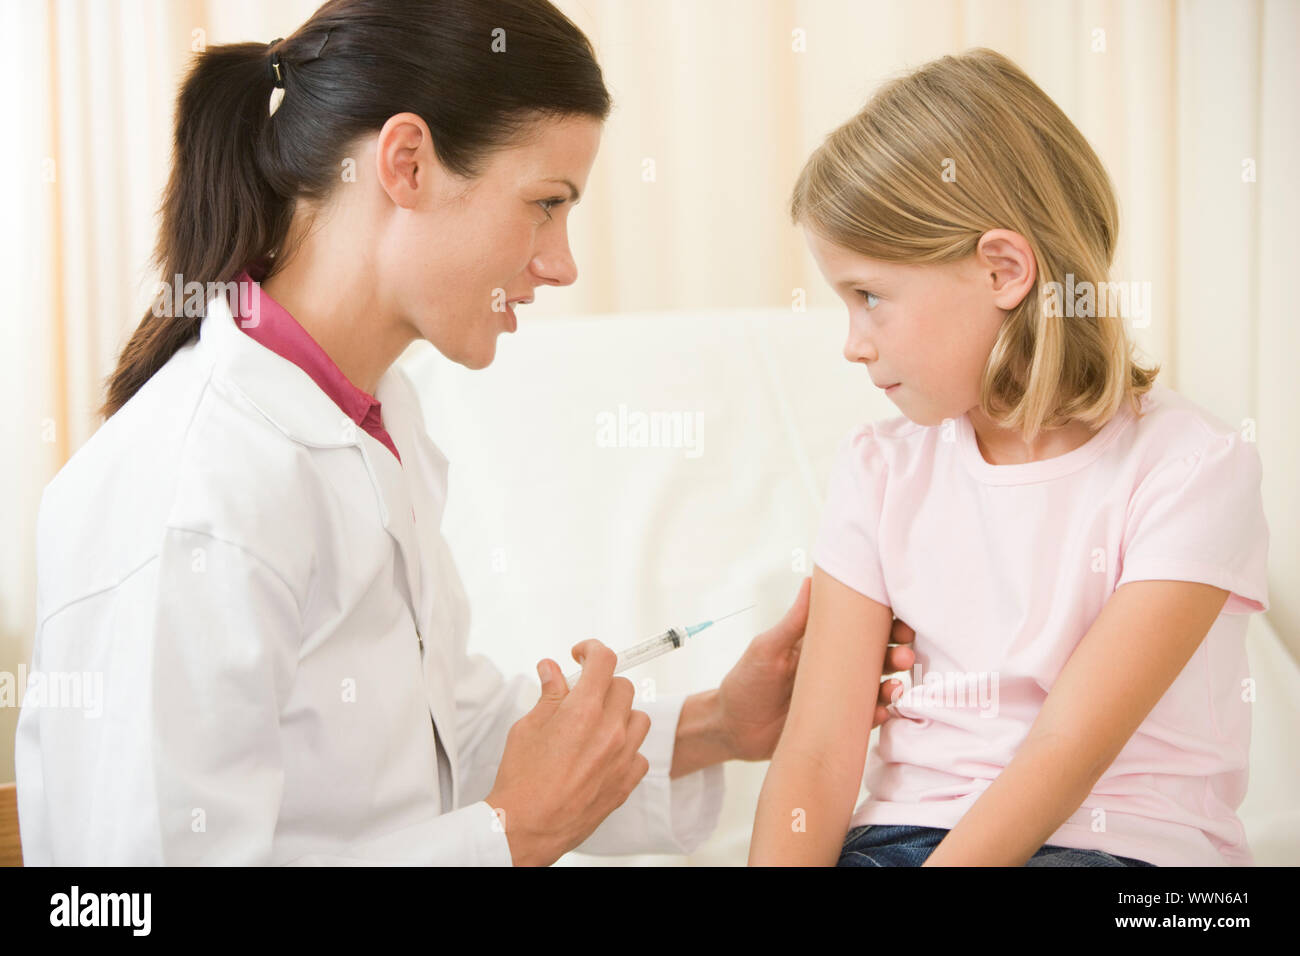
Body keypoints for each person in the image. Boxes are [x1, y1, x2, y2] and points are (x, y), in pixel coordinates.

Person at [14, 0, 919, 866]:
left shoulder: (376, 418)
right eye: (546, 203)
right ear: (407, 163)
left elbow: (456, 733)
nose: (561, 263)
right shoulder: (196, 502)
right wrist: (509, 838)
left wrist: (722, 722)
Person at [748, 48, 1270, 867]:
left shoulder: (1192, 468)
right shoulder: (878, 470)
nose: (852, 344)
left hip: (1122, 849)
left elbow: (1064, 751)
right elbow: (817, 752)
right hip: (902, 839)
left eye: (869, 296)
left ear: (1003, 269)